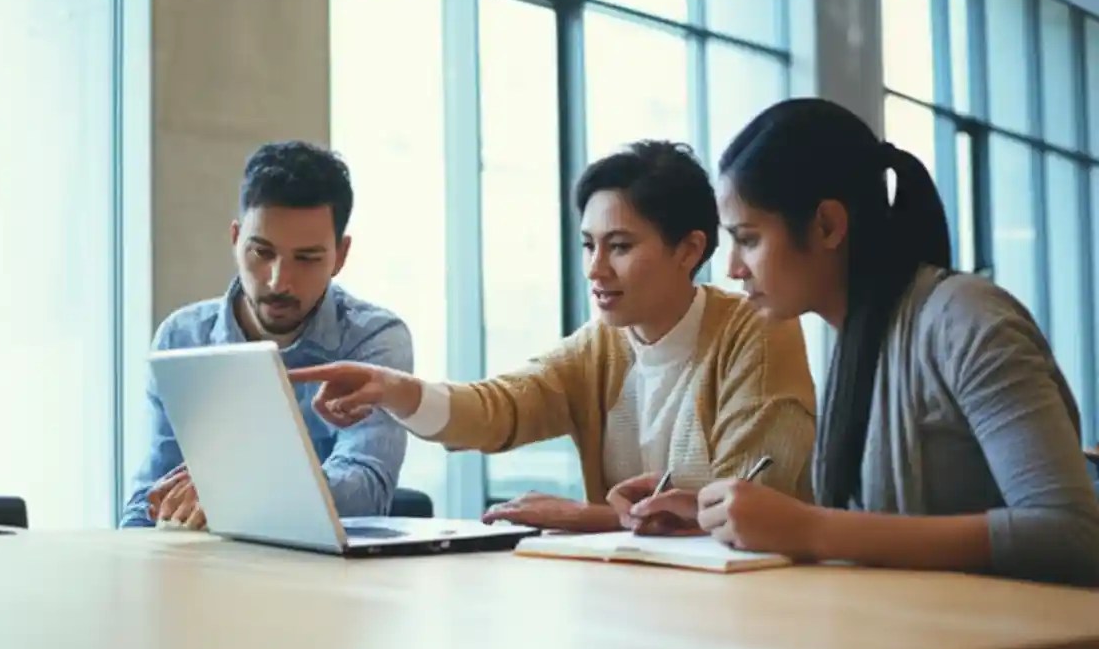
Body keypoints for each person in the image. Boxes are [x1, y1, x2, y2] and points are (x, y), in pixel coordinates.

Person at [614, 97, 1099, 586]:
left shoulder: (967, 321)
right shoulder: (857, 339)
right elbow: (870, 525)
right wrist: (709, 516)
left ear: (827, 225)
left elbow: (1071, 532)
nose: (735, 267)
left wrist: (811, 528)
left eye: (750, 239)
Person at [289, 141, 816, 533]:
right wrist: (392, 388)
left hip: (751, 601)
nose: (595, 269)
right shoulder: (601, 346)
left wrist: (591, 518)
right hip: (639, 600)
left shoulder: (756, 330)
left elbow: (748, 506)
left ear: (688, 249)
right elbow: (500, 408)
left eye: (620, 246)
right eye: (589, 245)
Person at [119, 141, 413, 529]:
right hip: (201, 574)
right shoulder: (182, 337)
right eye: (262, 252)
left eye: (306, 259)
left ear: (340, 256)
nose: (278, 281)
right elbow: (147, 499)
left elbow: (367, 487)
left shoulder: (373, 338)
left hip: (323, 578)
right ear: (236, 238)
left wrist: (236, 491)